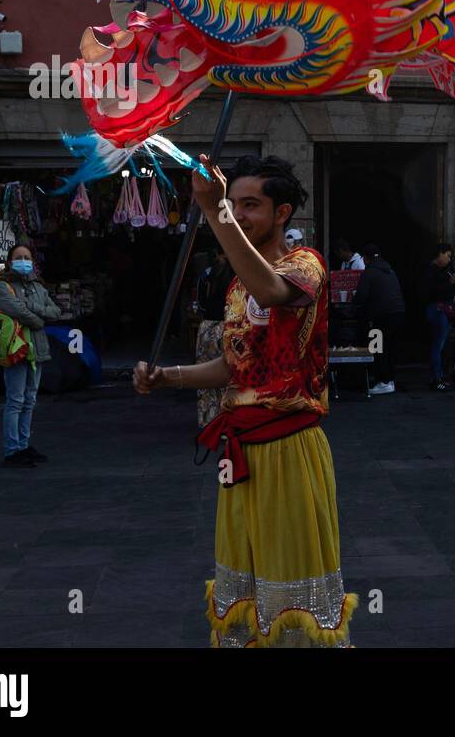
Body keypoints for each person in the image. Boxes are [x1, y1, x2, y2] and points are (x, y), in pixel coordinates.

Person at [134, 154, 356, 648]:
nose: (240, 212)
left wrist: (215, 211)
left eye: (251, 205)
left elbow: (273, 291)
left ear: (283, 213)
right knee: (244, 580)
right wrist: (168, 377)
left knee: (292, 584)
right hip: (239, 451)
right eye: (234, 202)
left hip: (289, 447)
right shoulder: (238, 284)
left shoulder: (306, 265)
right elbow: (235, 368)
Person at [0, 243, 61, 468]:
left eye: (27, 257)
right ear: (10, 262)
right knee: (15, 400)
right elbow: (16, 310)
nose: (23, 260)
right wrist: (38, 318)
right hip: (15, 350)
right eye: (19, 257)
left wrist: (32, 307)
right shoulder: (2, 286)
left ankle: (23, 445)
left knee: (29, 400)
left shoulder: (38, 286)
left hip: (36, 351)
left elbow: (56, 311)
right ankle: (12, 450)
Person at [354, 243, 406, 395]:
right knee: (390, 348)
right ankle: (390, 380)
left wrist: (353, 301)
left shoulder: (368, 272)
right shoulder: (390, 270)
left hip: (381, 316)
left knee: (377, 348)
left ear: (365, 258)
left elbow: (361, 296)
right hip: (398, 314)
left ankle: (383, 381)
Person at [195, 248, 233, 428]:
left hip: (207, 328)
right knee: (228, 376)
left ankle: (208, 421)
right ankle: (227, 421)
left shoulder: (206, 276)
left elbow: (200, 302)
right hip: (227, 328)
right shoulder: (236, 276)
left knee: (205, 376)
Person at [424, 242, 455, 391]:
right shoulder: (429, 270)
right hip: (436, 310)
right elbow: (432, 292)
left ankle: (439, 376)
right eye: (447, 255)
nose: (449, 259)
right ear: (440, 253)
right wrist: (449, 283)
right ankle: (437, 378)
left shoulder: (446, 269)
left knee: (440, 344)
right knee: (437, 344)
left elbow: (451, 289)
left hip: (444, 310)